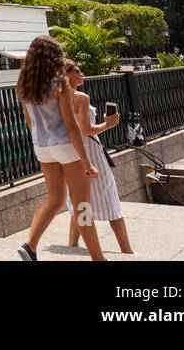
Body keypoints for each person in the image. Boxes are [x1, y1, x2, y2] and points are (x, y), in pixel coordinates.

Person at [15, 35, 105, 261]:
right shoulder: (59, 84)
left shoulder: (24, 85)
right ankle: (98, 258)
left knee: (55, 198)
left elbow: (29, 121)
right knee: (82, 204)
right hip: (65, 146)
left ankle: (30, 245)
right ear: (54, 57)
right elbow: (72, 127)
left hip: (42, 147)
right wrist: (87, 162)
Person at [62, 59, 131, 254]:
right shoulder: (81, 97)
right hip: (91, 153)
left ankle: (72, 244)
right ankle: (126, 250)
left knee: (80, 202)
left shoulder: (58, 98)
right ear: (67, 75)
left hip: (71, 155)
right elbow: (86, 130)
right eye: (77, 70)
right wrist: (108, 124)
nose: (81, 73)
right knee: (110, 200)